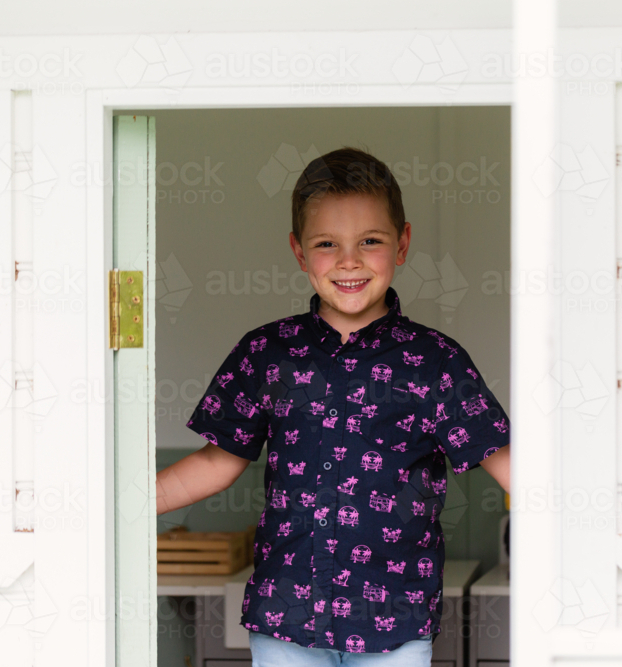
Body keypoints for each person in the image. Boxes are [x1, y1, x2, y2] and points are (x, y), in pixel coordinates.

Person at [156, 146, 511, 666]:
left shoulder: (436, 362)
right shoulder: (266, 353)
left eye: (370, 241)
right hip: (285, 617)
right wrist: (120, 505)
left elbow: (504, 461)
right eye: (328, 244)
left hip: (397, 618)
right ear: (300, 252)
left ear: (403, 243)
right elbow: (217, 461)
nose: (349, 261)